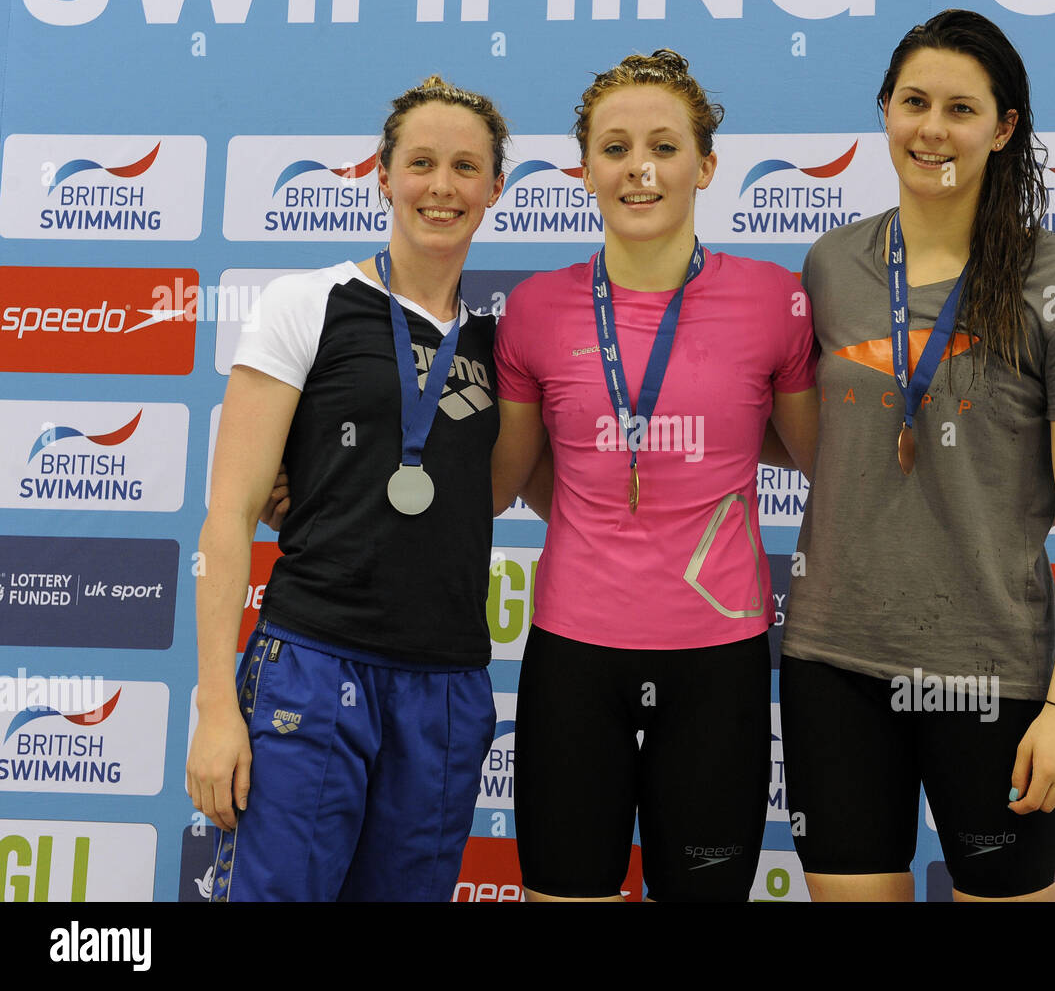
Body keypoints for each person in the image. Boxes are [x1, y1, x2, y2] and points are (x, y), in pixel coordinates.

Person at [778, 9, 1055, 902]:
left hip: (994, 672)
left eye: (961, 109)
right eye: (913, 102)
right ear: (886, 111)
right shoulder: (829, 266)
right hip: (833, 663)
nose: (932, 128)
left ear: (1004, 128)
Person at [490, 49, 819, 902]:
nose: (640, 168)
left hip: (720, 659)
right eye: (616, 147)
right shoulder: (531, 308)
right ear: (584, 168)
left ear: (707, 166)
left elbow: (823, 459)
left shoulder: (773, 299)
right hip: (574, 653)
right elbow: (505, 483)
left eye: (666, 147)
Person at [185, 74, 508, 901]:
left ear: (496, 188)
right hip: (313, 663)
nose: (443, 187)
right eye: (423, 163)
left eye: (467, 167)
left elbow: (497, 490)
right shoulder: (307, 302)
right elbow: (228, 515)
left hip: (446, 685)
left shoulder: (503, 346)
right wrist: (217, 707)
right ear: (383, 175)